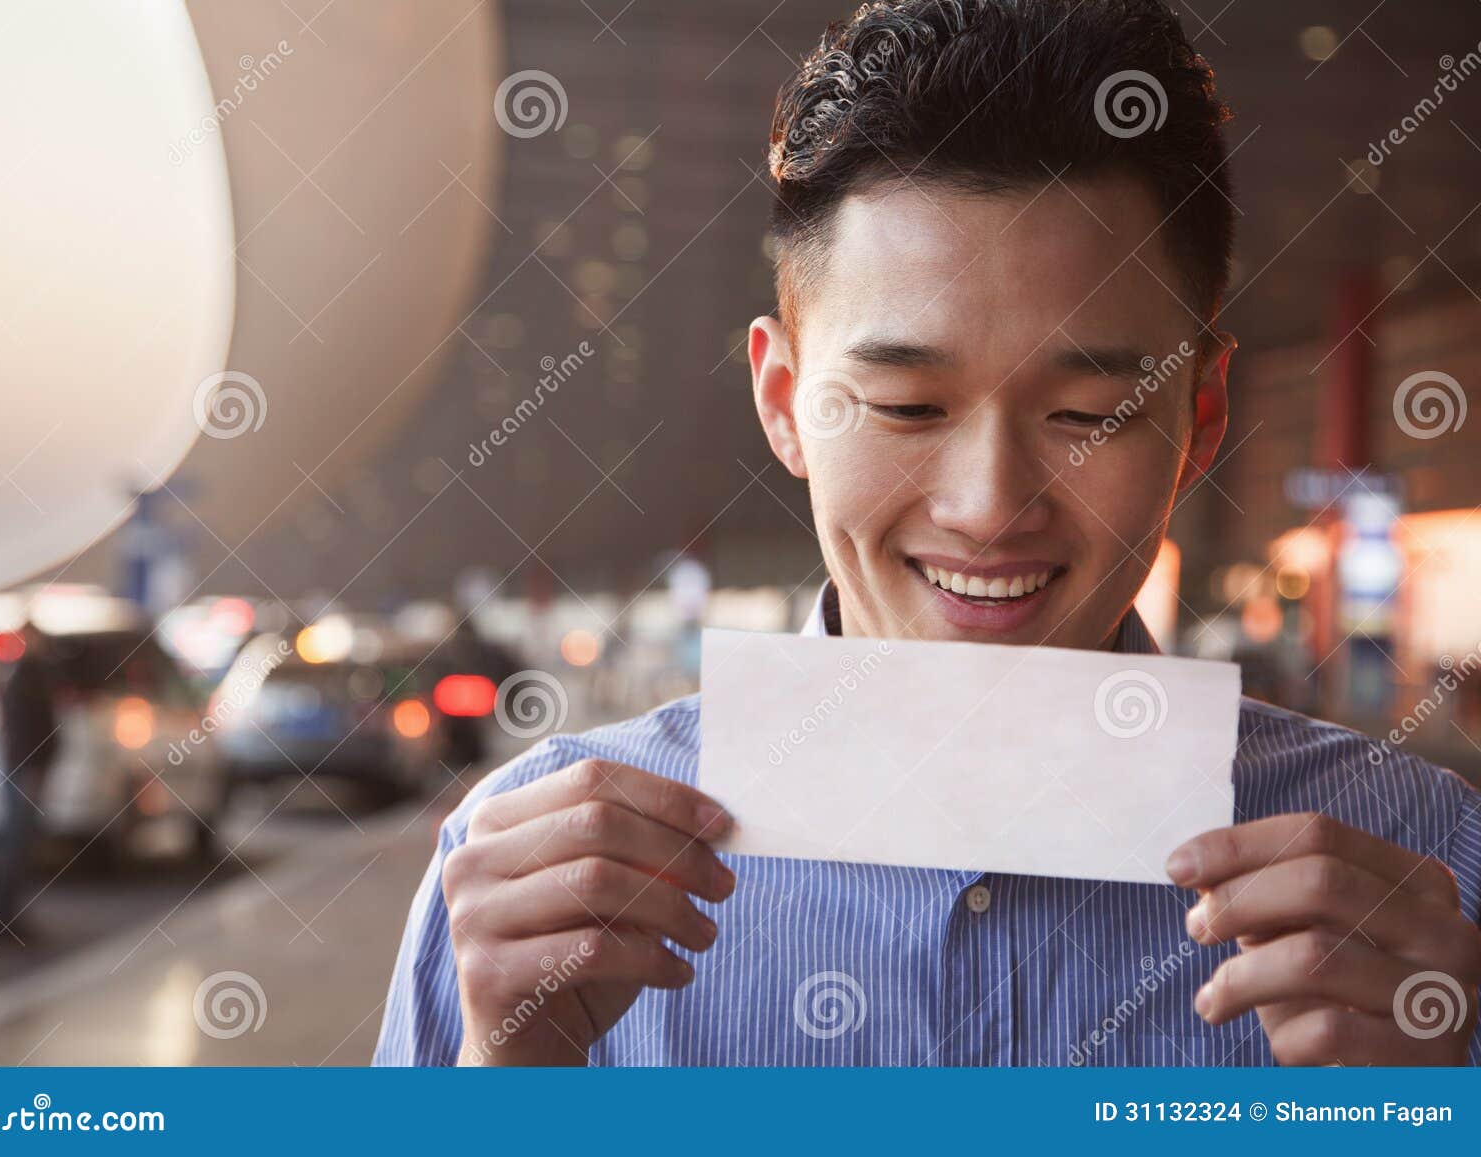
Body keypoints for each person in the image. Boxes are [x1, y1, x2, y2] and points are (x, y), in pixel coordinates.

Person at [374, 0, 1481, 1066]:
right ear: (782, 399)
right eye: (907, 407)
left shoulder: (1422, 873)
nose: (990, 505)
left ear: (1199, 417)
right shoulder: (522, 881)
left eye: (1087, 415)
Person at [0, 621, 60, 935]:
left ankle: (5, 914)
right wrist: (32, 767)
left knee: (17, 843)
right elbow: (28, 728)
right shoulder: (26, 675)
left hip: (23, 767)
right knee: (16, 844)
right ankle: (3, 917)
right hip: (24, 769)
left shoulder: (25, 673)